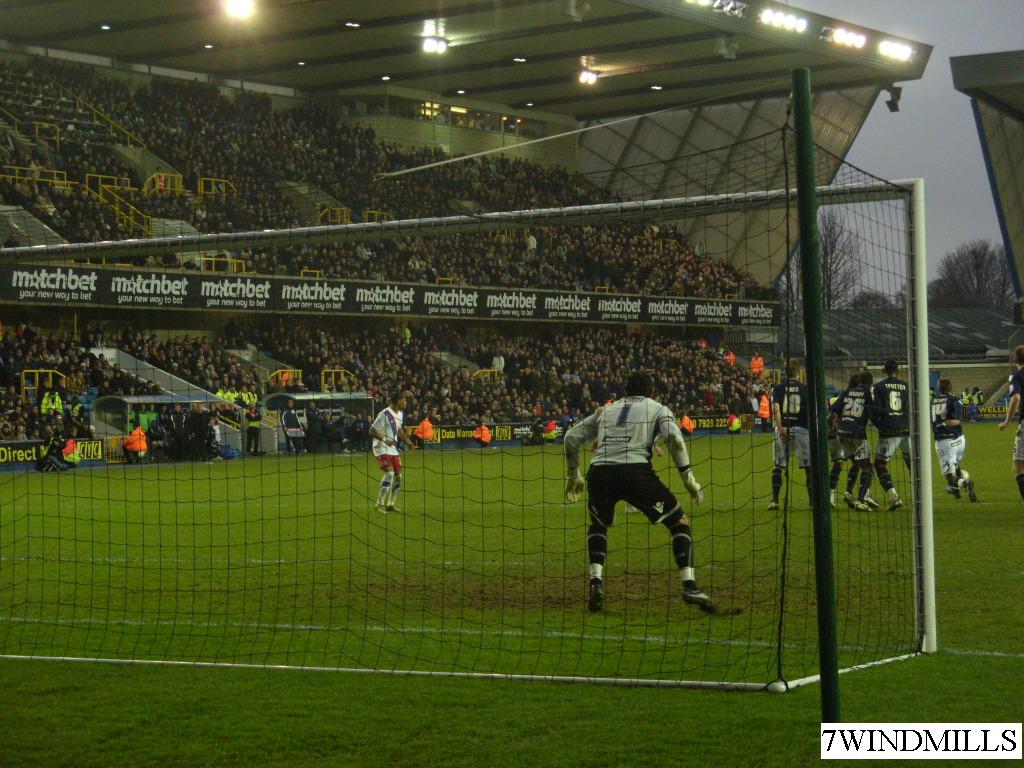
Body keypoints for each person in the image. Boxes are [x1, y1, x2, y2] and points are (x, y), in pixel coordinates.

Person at [563, 371, 718, 615]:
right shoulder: (658, 408)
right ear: (652, 391)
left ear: (626, 390)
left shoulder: (607, 409)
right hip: (635, 472)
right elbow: (675, 440)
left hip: (600, 472)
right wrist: (688, 479)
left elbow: (570, 437)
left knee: (598, 524)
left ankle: (596, 585)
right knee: (679, 521)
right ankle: (690, 586)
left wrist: (574, 474)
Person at [831, 372, 877, 511]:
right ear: (869, 383)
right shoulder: (867, 394)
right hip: (857, 433)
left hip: (842, 433)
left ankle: (848, 492)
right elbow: (871, 413)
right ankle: (861, 500)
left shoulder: (847, 391)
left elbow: (834, 410)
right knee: (868, 467)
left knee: (856, 464)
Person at [769, 361, 810, 510]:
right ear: (798, 372)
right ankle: (812, 502)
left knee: (778, 466)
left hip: (783, 429)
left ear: (786, 371)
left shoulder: (778, 388)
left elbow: (776, 410)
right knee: (808, 467)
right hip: (801, 430)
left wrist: (780, 429)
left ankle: (775, 500)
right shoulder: (805, 388)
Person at [872, 359, 911, 510]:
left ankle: (894, 497)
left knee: (880, 463)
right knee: (911, 463)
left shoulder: (879, 387)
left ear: (884, 371)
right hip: (907, 429)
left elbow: (878, 410)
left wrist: (880, 423)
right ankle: (921, 496)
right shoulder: (906, 386)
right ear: (898, 371)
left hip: (890, 430)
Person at [932, 378, 977, 502]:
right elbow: (959, 419)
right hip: (959, 440)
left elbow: (953, 421)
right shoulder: (955, 399)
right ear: (950, 388)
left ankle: (965, 483)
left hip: (945, 442)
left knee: (949, 476)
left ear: (938, 388)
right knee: (954, 465)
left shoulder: (931, 401)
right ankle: (955, 490)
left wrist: (942, 422)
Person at [370, 393, 410, 513]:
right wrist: (384, 440)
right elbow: (372, 430)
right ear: (398, 401)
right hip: (381, 446)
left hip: (392, 448)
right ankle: (379, 505)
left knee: (398, 477)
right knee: (390, 474)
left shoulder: (400, 414)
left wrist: (408, 441)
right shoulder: (384, 414)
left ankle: (390, 504)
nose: (406, 403)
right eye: (404, 400)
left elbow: (398, 429)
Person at [999, 345, 1024, 501]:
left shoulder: (1017, 376)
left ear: (1015, 359)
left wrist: (1007, 421)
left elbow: (1016, 398)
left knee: (1019, 466)